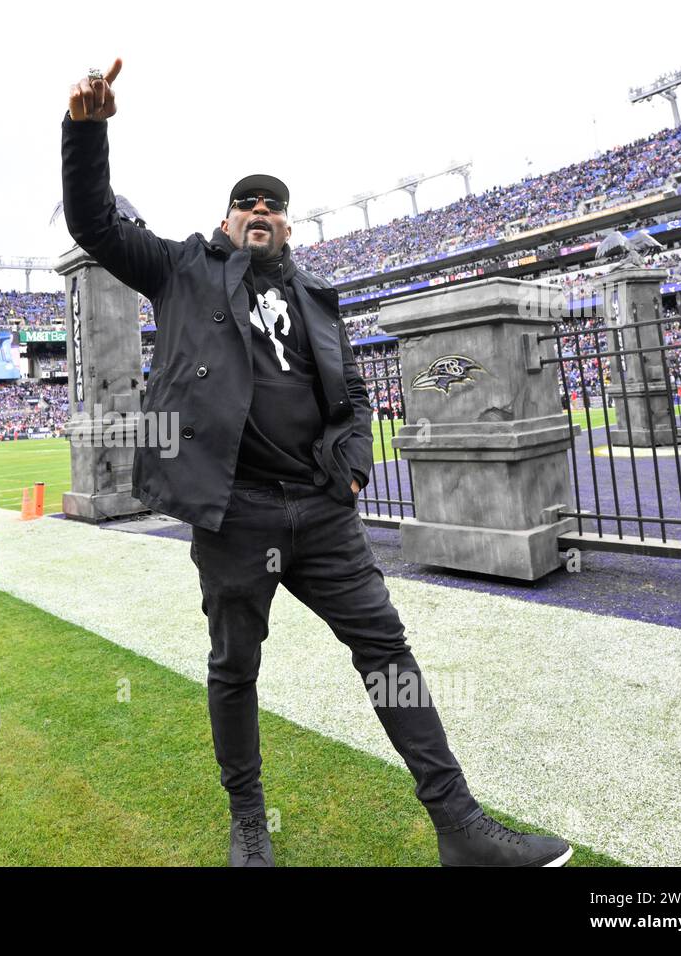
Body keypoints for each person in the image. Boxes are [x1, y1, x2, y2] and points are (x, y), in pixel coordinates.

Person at [61, 60, 572, 867]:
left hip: (323, 510)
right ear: (227, 221)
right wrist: (87, 130)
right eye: (246, 202)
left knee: (388, 656)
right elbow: (94, 226)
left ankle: (457, 822)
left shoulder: (316, 297)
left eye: (273, 204)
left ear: (288, 227)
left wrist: (354, 467)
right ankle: (249, 822)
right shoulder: (181, 272)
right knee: (235, 667)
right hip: (237, 513)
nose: (259, 210)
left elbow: (357, 396)